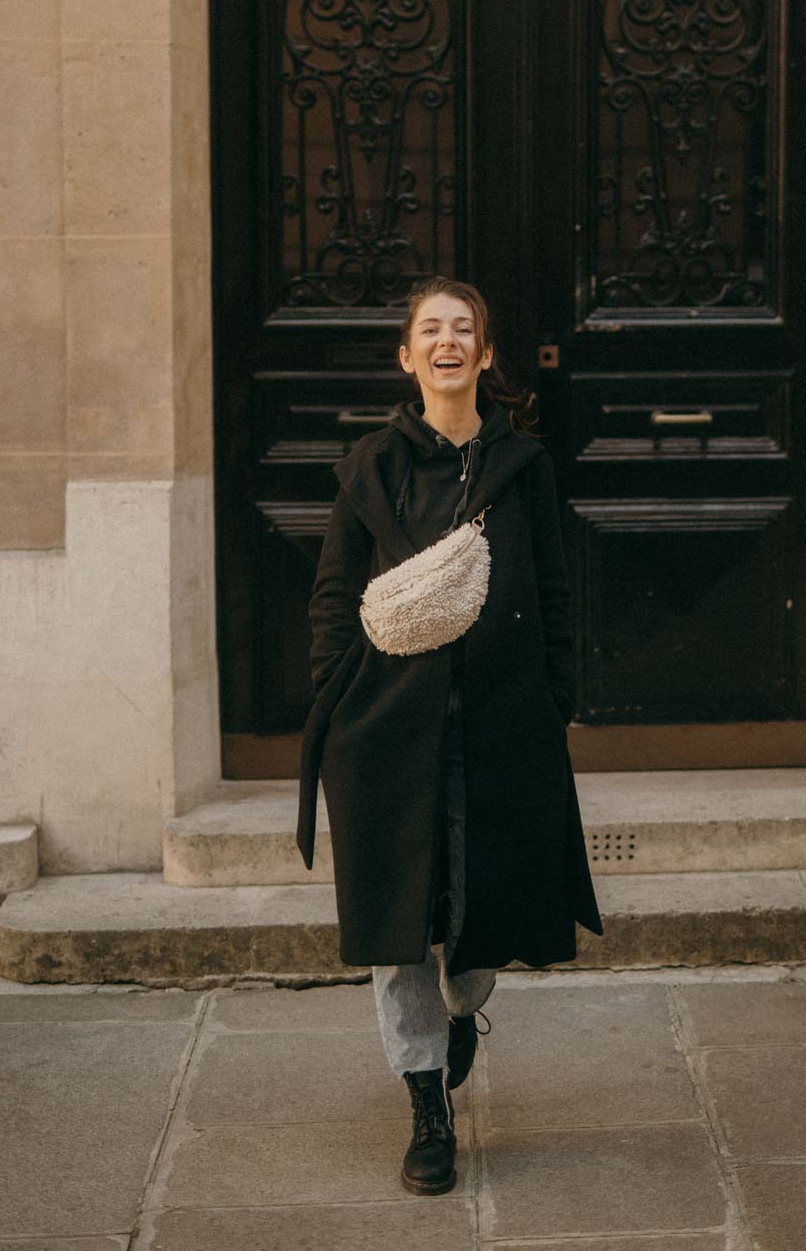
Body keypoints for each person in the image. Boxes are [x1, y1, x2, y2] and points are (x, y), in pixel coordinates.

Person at [296, 276, 603, 1195]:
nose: (447, 342)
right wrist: (337, 699)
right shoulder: (370, 469)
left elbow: (551, 589)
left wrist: (556, 701)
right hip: (387, 729)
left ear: (485, 353)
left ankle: (466, 1006)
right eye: (429, 330)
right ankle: (426, 1107)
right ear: (407, 356)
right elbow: (330, 598)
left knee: (478, 913)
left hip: (501, 725)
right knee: (400, 923)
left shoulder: (523, 467)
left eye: (463, 329)